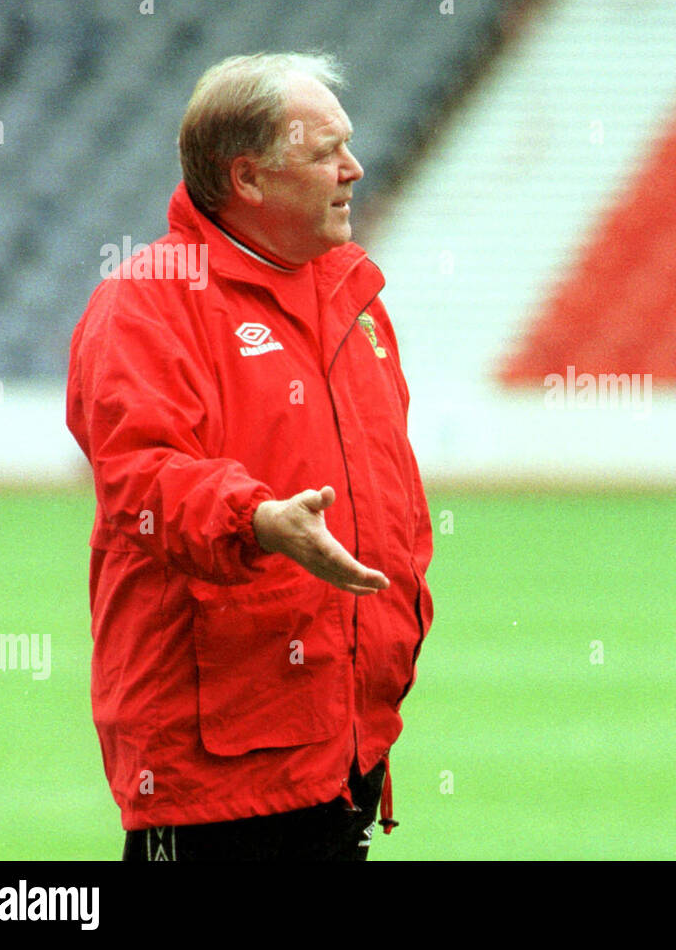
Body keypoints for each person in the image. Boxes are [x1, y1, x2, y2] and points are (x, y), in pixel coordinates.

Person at [67, 52, 433, 861]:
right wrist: (257, 518)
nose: (355, 168)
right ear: (249, 179)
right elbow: (141, 481)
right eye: (325, 152)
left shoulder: (352, 298)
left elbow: (392, 494)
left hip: (343, 749)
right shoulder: (145, 303)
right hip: (215, 772)